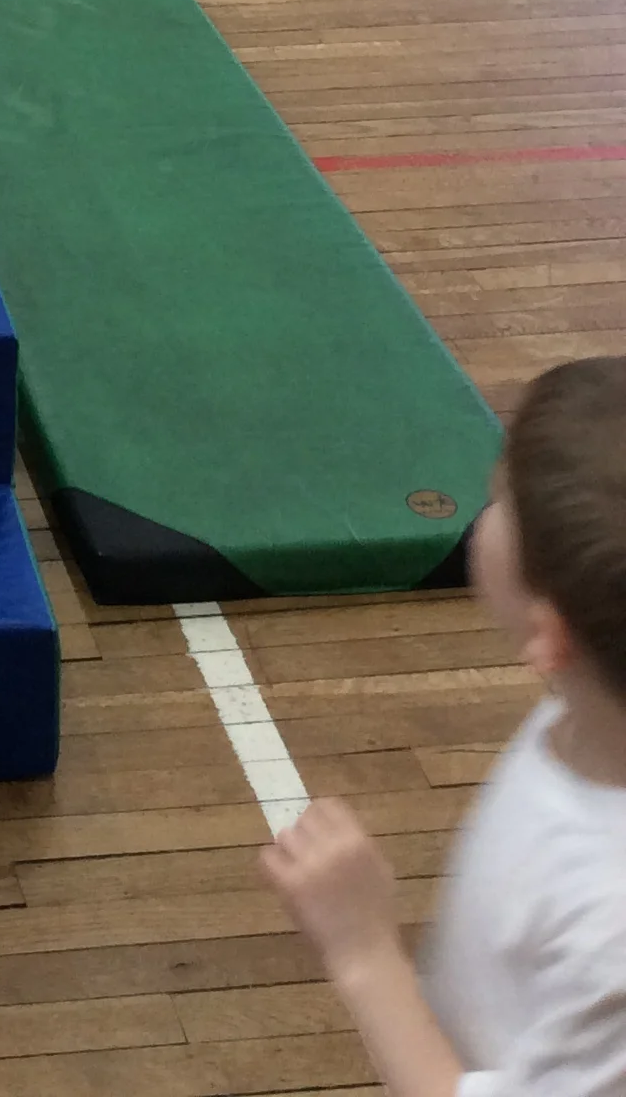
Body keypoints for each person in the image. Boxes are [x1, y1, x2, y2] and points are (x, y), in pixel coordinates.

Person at [263, 353, 626, 1097]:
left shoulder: (610, 931)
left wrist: (365, 951)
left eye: (501, 501)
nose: (482, 510)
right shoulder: (592, 705)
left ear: (547, 633)